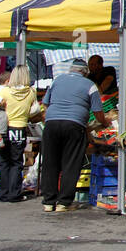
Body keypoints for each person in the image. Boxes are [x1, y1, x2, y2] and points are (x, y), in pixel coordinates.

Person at [40, 59, 105, 212]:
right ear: (85, 72)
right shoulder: (90, 85)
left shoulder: (57, 80)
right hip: (74, 125)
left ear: (71, 70)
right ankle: (64, 203)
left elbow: (45, 104)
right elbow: (97, 112)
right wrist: (104, 122)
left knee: (50, 163)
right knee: (71, 163)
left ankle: (48, 202)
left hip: (51, 124)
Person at [0, 65, 40, 203]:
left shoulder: (5, 92)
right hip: (20, 129)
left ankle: (3, 193)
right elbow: (34, 110)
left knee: (4, 162)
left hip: (5, 130)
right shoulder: (31, 92)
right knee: (16, 162)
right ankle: (14, 193)